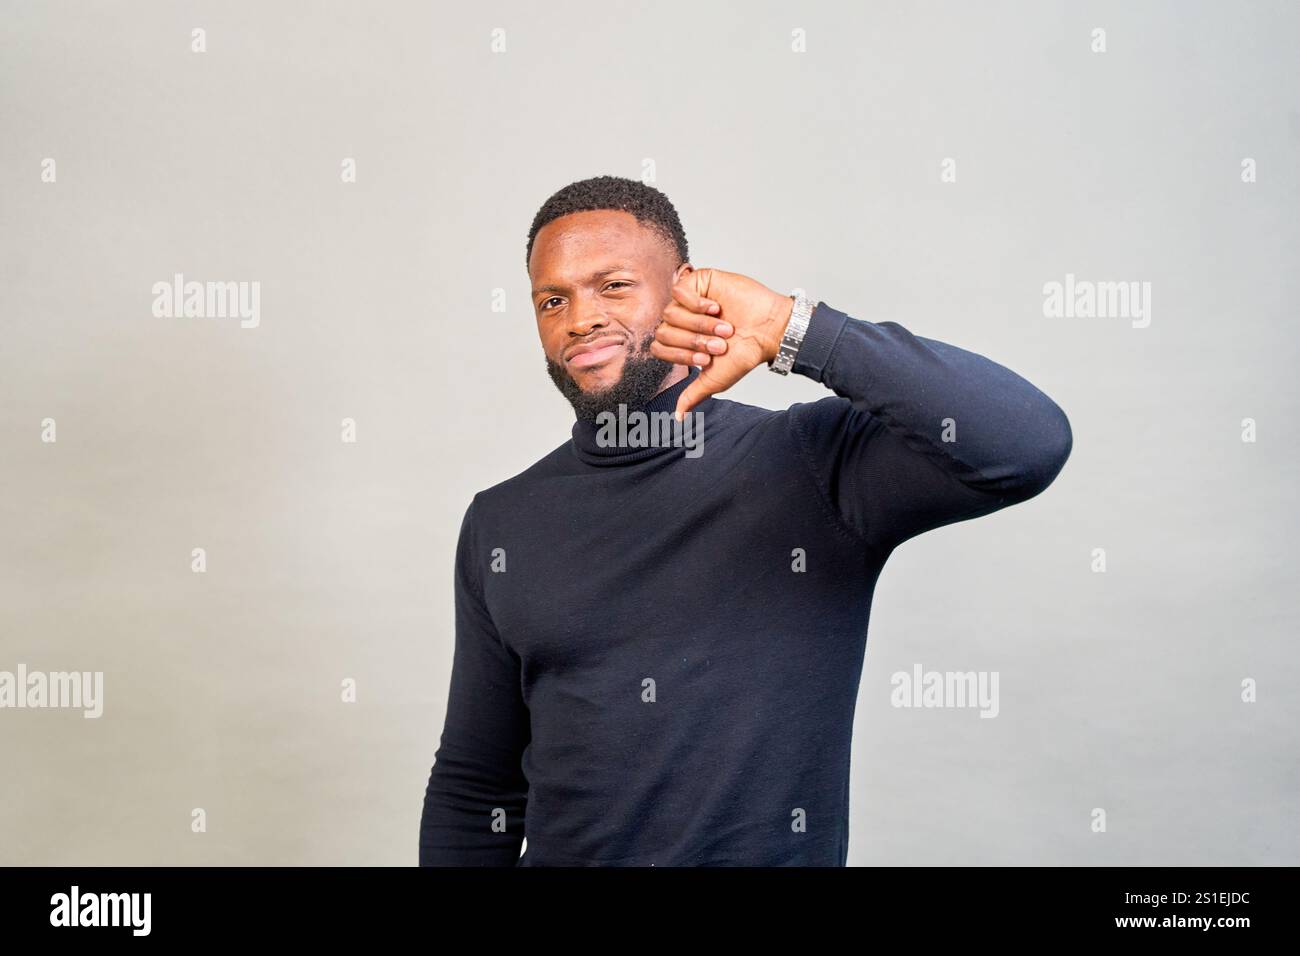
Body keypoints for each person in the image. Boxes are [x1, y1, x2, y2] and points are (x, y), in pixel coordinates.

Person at [419, 175, 1072, 866]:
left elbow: (1024, 444)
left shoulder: (810, 465)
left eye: (612, 285)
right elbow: (475, 783)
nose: (579, 318)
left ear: (686, 289)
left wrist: (792, 327)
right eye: (553, 299)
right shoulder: (503, 521)